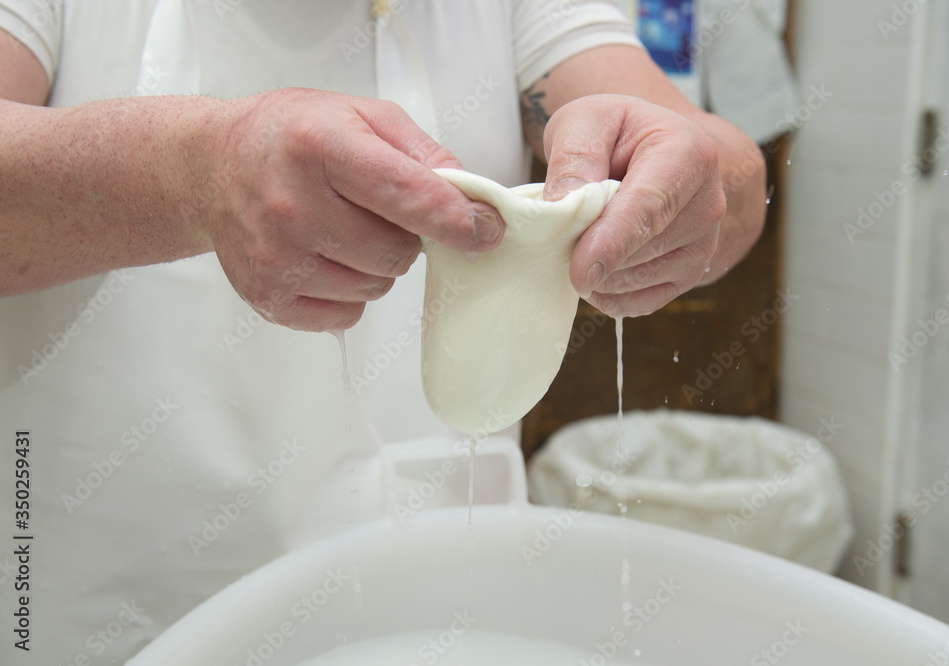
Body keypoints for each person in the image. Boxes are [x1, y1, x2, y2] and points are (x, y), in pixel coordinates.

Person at [0, 1, 765, 662]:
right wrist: (194, 173)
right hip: (130, 617)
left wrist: (694, 186)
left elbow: (725, 166)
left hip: (445, 606)